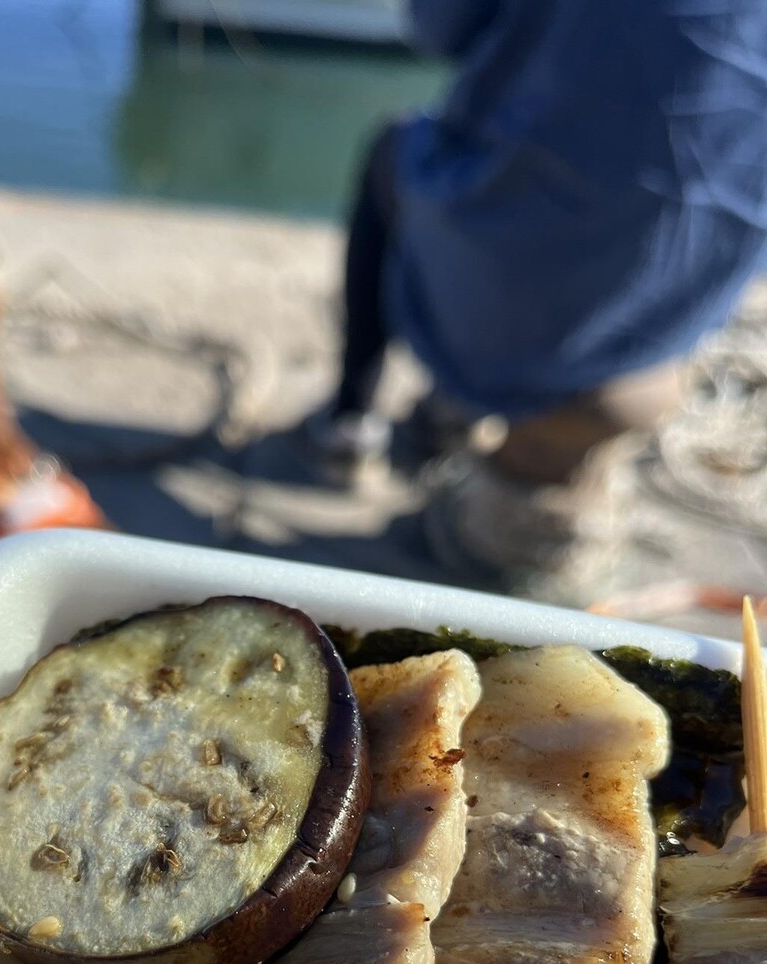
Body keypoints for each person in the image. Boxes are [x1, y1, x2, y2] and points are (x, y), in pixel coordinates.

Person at [317, 1, 767, 593]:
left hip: (529, 281)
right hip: (678, 303)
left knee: (396, 148)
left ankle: (352, 422)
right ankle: (446, 413)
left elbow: (437, 28)